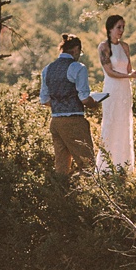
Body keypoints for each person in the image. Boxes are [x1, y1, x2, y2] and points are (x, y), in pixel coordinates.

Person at [39, 33, 95, 174]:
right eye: (80, 52)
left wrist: (60, 103)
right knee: (87, 164)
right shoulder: (78, 68)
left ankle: (60, 193)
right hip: (74, 121)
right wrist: (96, 103)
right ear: (76, 49)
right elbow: (84, 98)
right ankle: (90, 195)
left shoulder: (47, 69)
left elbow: (44, 99)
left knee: (61, 166)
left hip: (56, 121)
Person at [97, 13, 136, 170]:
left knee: (124, 123)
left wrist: (134, 73)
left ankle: (123, 164)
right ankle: (106, 165)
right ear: (110, 28)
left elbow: (129, 68)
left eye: (123, 27)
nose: (121, 30)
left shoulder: (125, 46)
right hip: (112, 88)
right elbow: (110, 71)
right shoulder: (104, 47)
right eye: (118, 27)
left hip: (125, 89)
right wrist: (129, 76)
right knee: (111, 123)